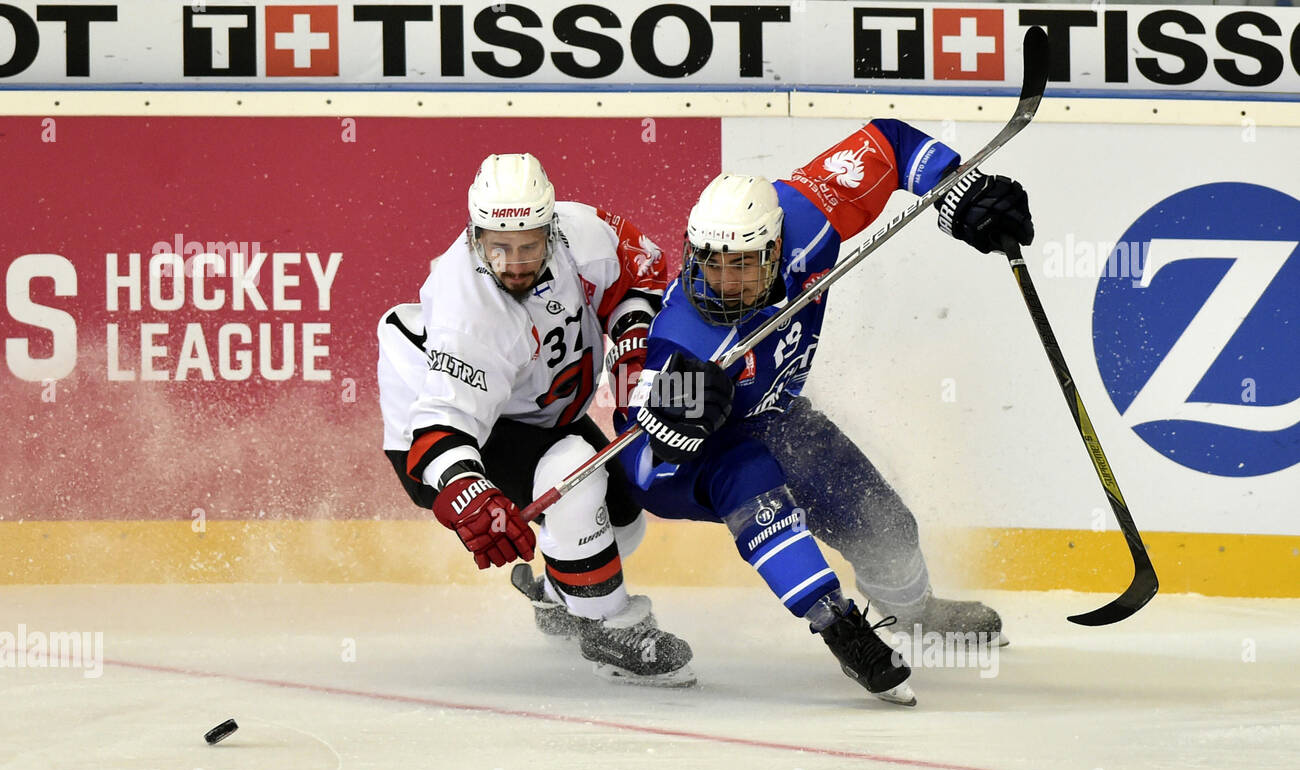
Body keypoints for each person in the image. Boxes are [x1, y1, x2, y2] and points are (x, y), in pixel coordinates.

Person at [619, 121, 1034, 706]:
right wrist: (671, 424)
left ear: (776, 250)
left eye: (743, 265)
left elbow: (888, 144)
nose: (723, 282)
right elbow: (638, 467)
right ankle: (837, 623)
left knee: (886, 524)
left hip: (780, 418)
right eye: (711, 264)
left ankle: (914, 609)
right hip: (703, 455)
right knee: (755, 486)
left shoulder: (807, 220)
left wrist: (958, 190)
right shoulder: (682, 339)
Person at [377, 153, 695, 687]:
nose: (514, 262)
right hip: (448, 438)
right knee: (574, 475)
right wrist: (466, 489)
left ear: (552, 228)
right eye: (498, 247)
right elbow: (440, 425)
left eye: (528, 244)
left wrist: (636, 337)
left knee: (624, 513)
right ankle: (608, 627)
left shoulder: (583, 234)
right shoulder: (469, 314)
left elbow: (634, 271)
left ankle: (557, 594)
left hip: (544, 414)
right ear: (475, 235)